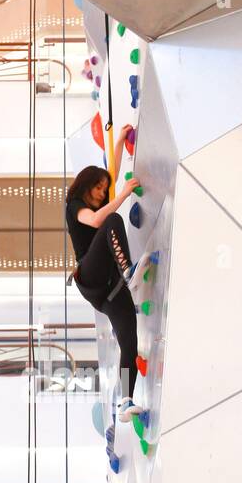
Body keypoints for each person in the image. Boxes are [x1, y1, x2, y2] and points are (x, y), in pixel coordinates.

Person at [65, 131, 145, 422]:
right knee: (112, 219)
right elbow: (98, 220)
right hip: (90, 273)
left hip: (108, 290)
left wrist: (120, 142)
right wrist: (123, 193)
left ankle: (126, 400)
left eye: (104, 189)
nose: (102, 193)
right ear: (86, 187)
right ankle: (129, 272)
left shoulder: (97, 200)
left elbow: (109, 173)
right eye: (98, 189)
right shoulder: (74, 206)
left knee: (129, 341)